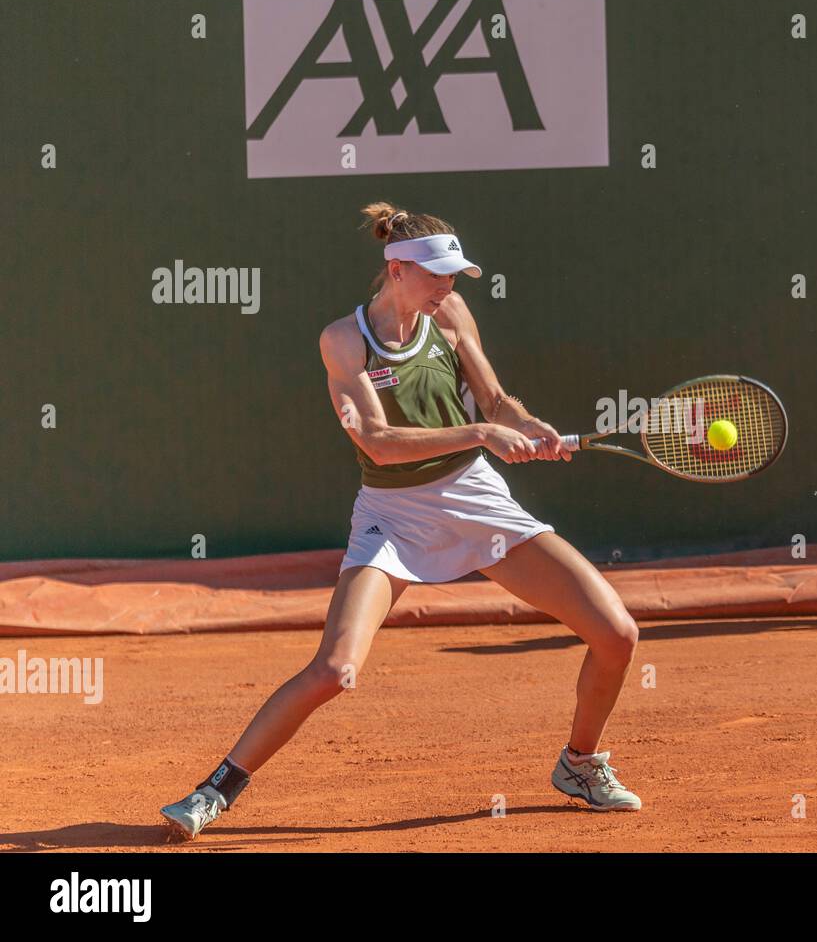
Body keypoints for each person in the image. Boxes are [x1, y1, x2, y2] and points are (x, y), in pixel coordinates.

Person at [161, 202, 642, 839]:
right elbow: (380, 443)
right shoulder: (344, 340)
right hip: (393, 515)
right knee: (335, 670)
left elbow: (496, 397)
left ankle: (579, 763)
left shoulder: (450, 314)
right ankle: (214, 791)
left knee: (617, 633)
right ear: (396, 270)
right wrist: (482, 431)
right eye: (437, 275)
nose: (447, 286)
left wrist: (525, 424)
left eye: (453, 275)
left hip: (474, 499)